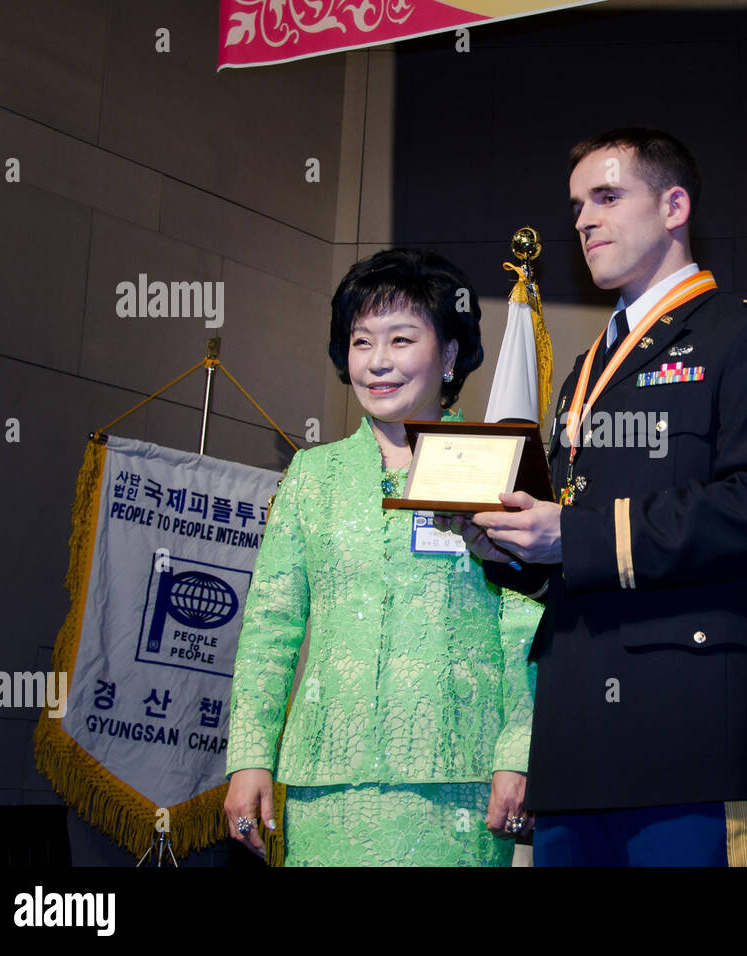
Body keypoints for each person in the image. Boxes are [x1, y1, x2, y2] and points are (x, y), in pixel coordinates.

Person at [459, 128, 747, 866]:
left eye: (607, 196)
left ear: (674, 205)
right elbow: (566, 543)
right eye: (576, 205)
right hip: (572, 729)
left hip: (690, 725)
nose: (584, 220)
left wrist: (574, 537)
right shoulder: (588, 368)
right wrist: (503, 539)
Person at [223, 248, 541, 866]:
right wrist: (250, 755)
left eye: (401, 339)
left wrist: (519, 752)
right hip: (323, 781)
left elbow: (525, 627)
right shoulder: (313, 475)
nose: (378, 362)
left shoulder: (494, 465)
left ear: (449, 355)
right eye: (361, 341)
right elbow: (271, 626)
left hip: (456, 783)